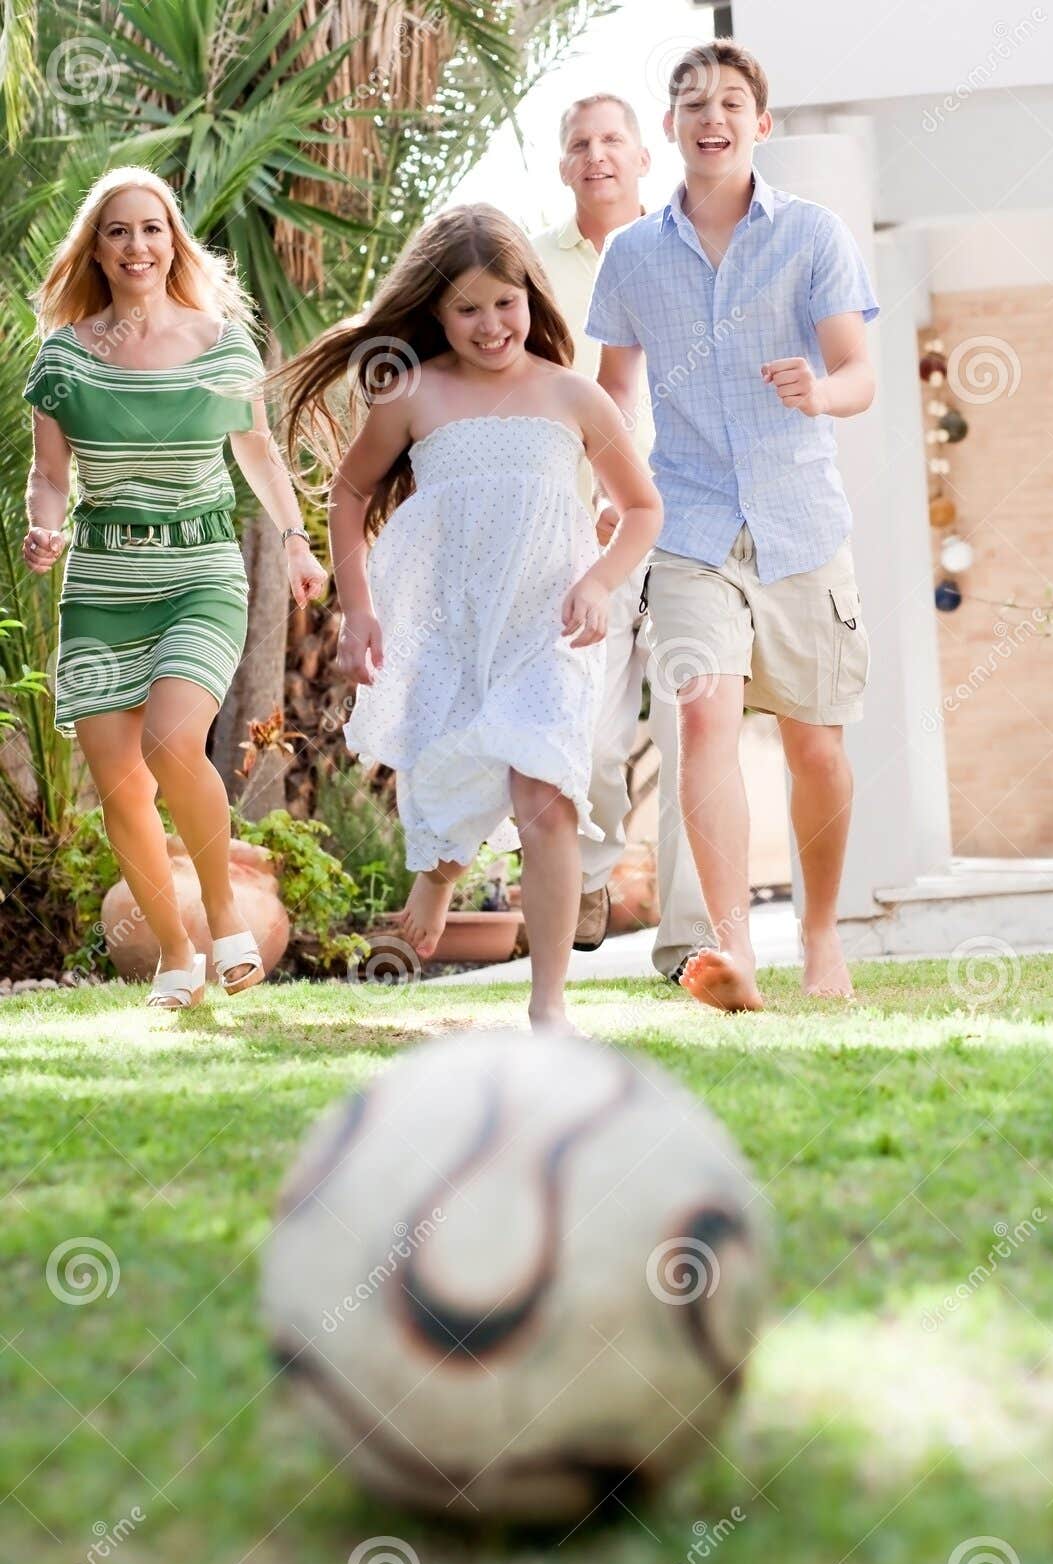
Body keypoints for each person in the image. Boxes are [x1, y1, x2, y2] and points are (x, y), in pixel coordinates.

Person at [280, 204, 661, 1031]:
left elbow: (642, 509)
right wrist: (360, 610)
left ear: (530, 295)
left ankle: (548, 1003)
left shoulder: (573, 395)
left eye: (504, 302)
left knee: (543, 793)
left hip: (549, 626)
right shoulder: (414, 394)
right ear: (435, 314)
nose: (490, 325)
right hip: (452, 621)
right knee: (452, 755)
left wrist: (599, 582)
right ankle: (441, 873)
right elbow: (348, 496)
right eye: (466, 308)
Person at [586, 39, 878, 1011]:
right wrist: (612, 480)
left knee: (814, 747)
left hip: (799, 520)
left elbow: (858, 371)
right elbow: (613, 392)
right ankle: (728, 949)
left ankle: (820, 930)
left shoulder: (810, 236)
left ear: (760, 123)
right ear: (669, 127)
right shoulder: (631, 255)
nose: (709, 116)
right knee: (701, 710)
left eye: (728, 102)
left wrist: (820, 391)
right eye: (690, 102)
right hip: (689, 523)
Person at [22, 167, 327, 1010]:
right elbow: (52, 476)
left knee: (169, 741)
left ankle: (224, 911)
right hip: (102, 578)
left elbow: (258, 452)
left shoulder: (219, 341)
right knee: (119, 781)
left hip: (199, 570)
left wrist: (297, 538)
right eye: (117, 231)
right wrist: (43, 524)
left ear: (173, 241)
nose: (136, 246)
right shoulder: (64, 356)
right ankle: (174, 956)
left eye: (151, 229)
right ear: (97, 248)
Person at [532, 94, 705, 979]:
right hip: (578, 540)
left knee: (688, 735)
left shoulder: (688, 251)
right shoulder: (530, 265)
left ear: (646, 155)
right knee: (589, 740)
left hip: (683, 527)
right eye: (578, 143)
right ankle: (594, 869)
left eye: (611, 141)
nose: (595, 155)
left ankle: (690, 938)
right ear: (562, 166)